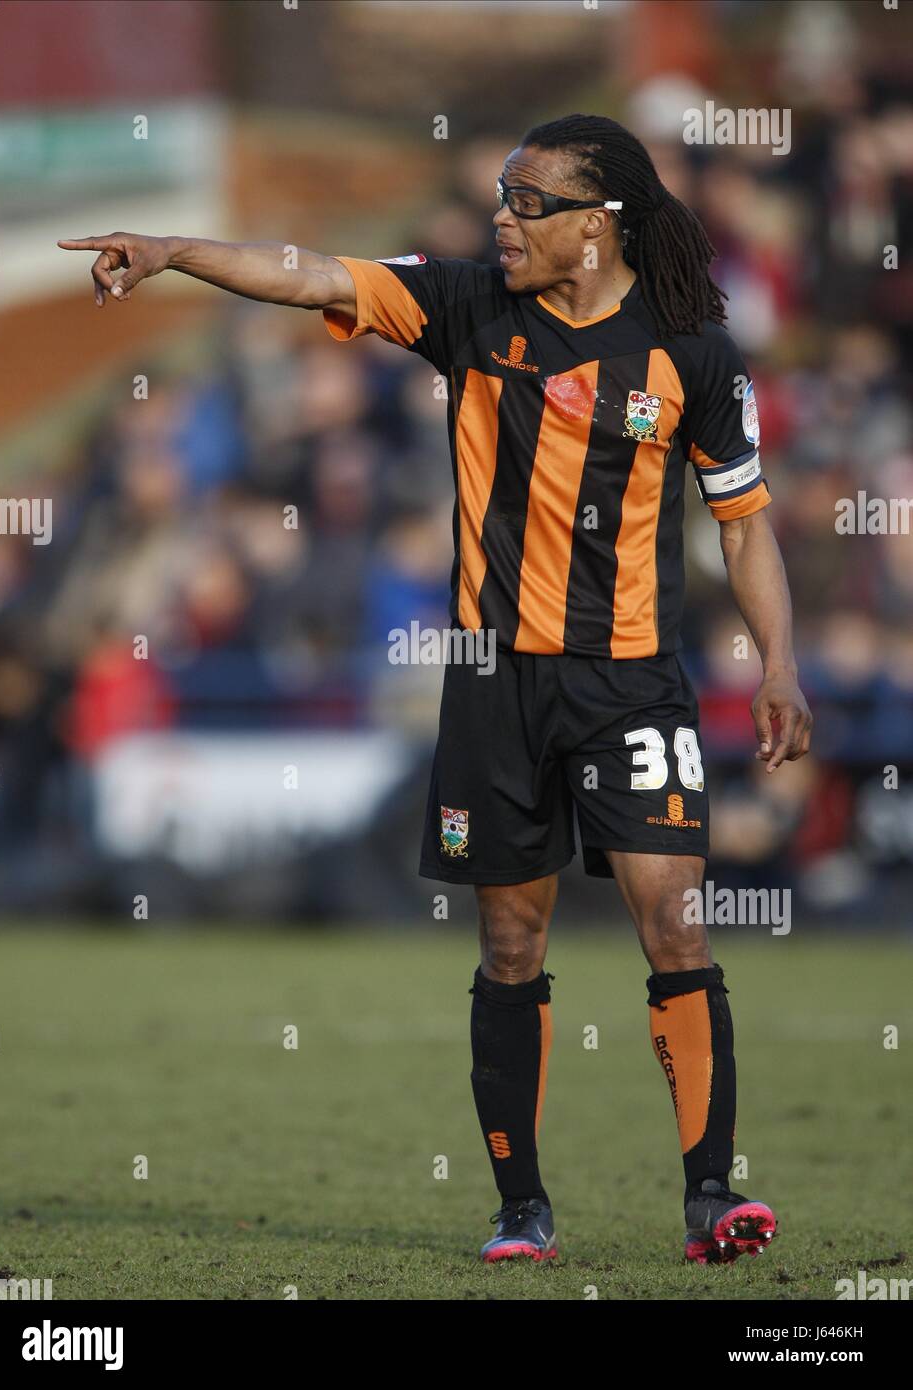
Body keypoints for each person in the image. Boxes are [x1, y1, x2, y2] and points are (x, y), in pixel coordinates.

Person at [59, 113, 813, 1266]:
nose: (501, 219)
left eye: (529, 202)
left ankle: (712, 1195)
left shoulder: (692, 354)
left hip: (633, 683)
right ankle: (521, 1207)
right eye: (500, 196)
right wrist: (173, 248)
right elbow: (310, 271)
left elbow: (745, 525)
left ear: (598, 225)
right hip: (493, 683)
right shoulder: (465, 306)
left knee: (674, 916)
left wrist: (779, 665)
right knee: (511, 944)